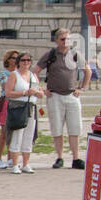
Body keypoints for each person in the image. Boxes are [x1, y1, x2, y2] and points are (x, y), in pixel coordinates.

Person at [36, 28, 88, 169]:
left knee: (75, 128)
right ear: (56, 40)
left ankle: (76, 158)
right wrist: (41, 89)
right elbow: (35, 71)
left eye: (68, 39)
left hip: (72, 95)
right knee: (57, 128)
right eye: (63, 39)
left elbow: (87, 71)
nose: (66, 42)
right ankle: (60, 157)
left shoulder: (75, 54)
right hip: (55, 95)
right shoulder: (51, 54)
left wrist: (81, 88)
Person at [3, 52, 45, 174]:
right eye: (23, 60)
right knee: (17, 135)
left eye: (28, 60)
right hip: (18, 108)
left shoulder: (33, 76)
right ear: (18, 62)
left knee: (29, 136)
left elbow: (40, 90)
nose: (26, 62)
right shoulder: (14, 75)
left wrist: (39, 93)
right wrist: (24, 92)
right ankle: (15, 164)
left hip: (31, 107)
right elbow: (8, 93)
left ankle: (26, 163)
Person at [0, 49, 18, 169]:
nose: (15, 60)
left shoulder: (19, 72)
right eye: (13, 58)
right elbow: (5, 86)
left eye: (17, 58)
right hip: (6, 103)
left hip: (17, 103)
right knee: (4, 133)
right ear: (8, 60)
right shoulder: (4, 73)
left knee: (13, 133)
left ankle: (10, 158)